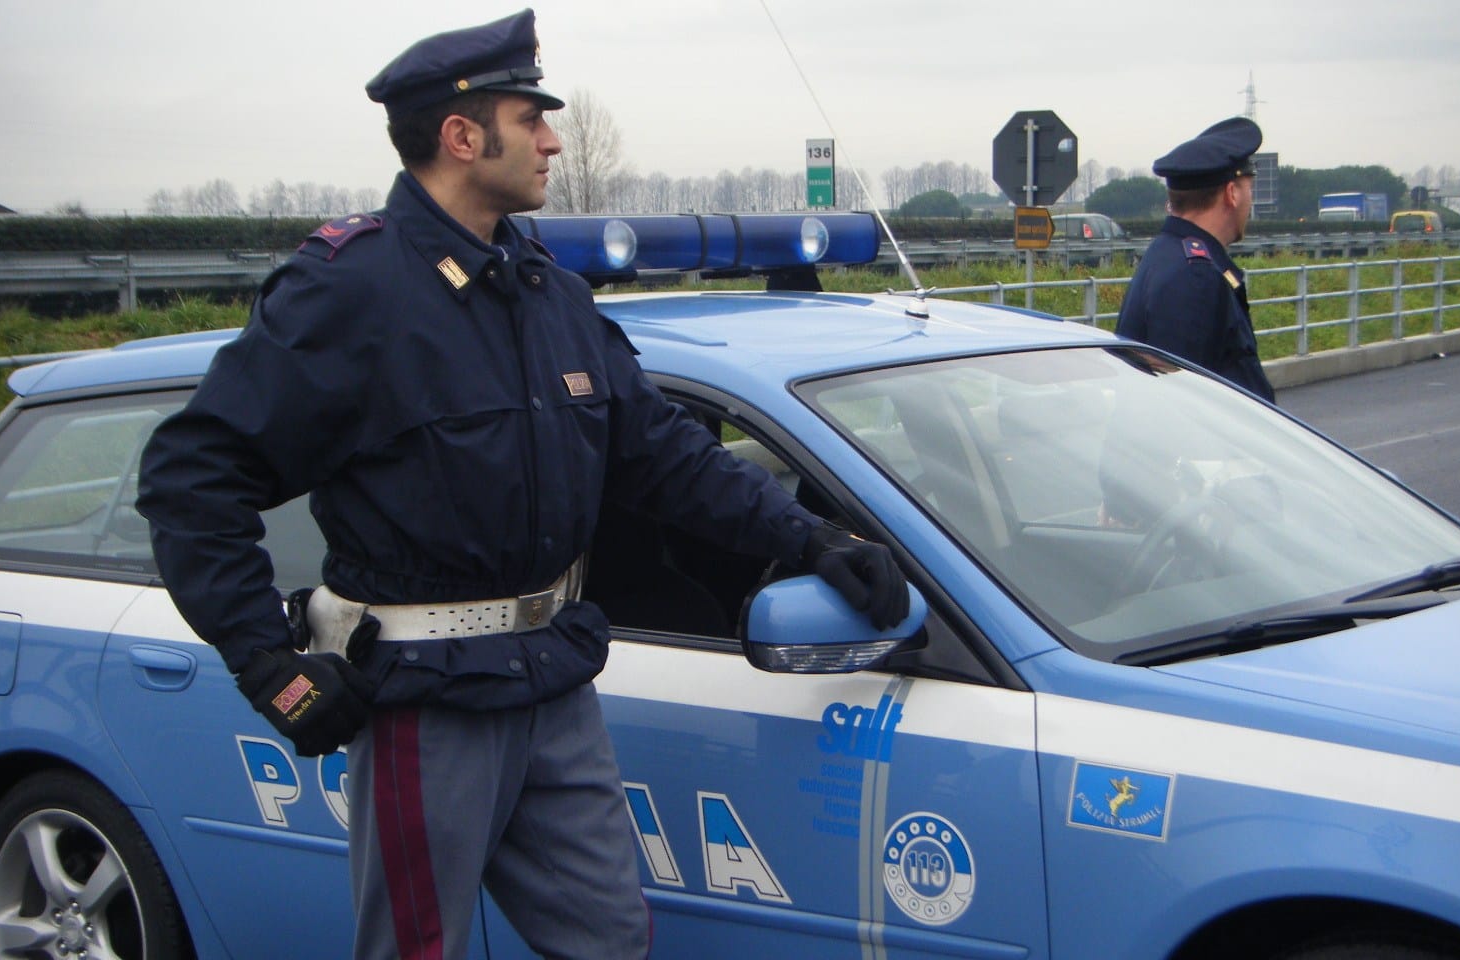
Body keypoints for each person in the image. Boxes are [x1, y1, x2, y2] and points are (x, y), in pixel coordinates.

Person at [135, 10, 909, 960]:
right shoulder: (352, 292)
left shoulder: (547, 290)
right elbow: (191, 477)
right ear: (462, 138)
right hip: (427, 700)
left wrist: (810, 539)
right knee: (418, 948)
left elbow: (660, 454)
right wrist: (269, 666)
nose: (551, 139)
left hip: (553, 683)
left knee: (613, 942)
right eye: (531, 117)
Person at [1115, 116, 1276, 403]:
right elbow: (1184, 404)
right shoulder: (1195, 276)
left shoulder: (1170, 253)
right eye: (1249, 188)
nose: (1251, 200)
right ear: (1232, 193)